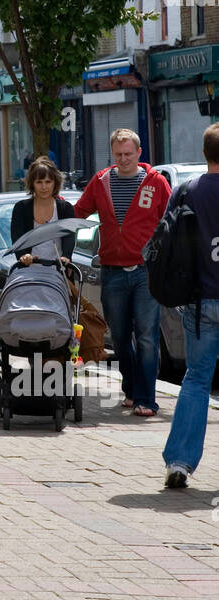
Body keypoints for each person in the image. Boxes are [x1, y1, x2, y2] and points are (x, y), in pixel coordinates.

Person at [74, 128, 170, 417]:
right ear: (112, 155)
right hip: (112, 271)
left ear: (139, 154)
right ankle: (131, 388)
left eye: (129, 154)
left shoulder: (157, 183)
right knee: (118, 336)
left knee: (147, 336)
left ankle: (147, 399)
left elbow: (172, 221)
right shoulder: (101, 181)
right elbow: (77, 212)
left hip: (145, 272)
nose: (124, 159)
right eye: (119, 155)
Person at [162, 126, 219, 487]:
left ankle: (180, 462)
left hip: (199, 302)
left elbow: (165, 239)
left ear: (204, 152)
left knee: (197, 379)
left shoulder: (187, 191)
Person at [10, 158, 77, 266]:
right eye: (39, 182)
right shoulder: (21, 208)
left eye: (48, 182)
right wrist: (23, 255)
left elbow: (69, 237)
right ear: (32, 184)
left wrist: (66, 256)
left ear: (55, 183)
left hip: (58, 271)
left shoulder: (65, 208)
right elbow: (17, 237)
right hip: (29, 271)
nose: (44, 187)